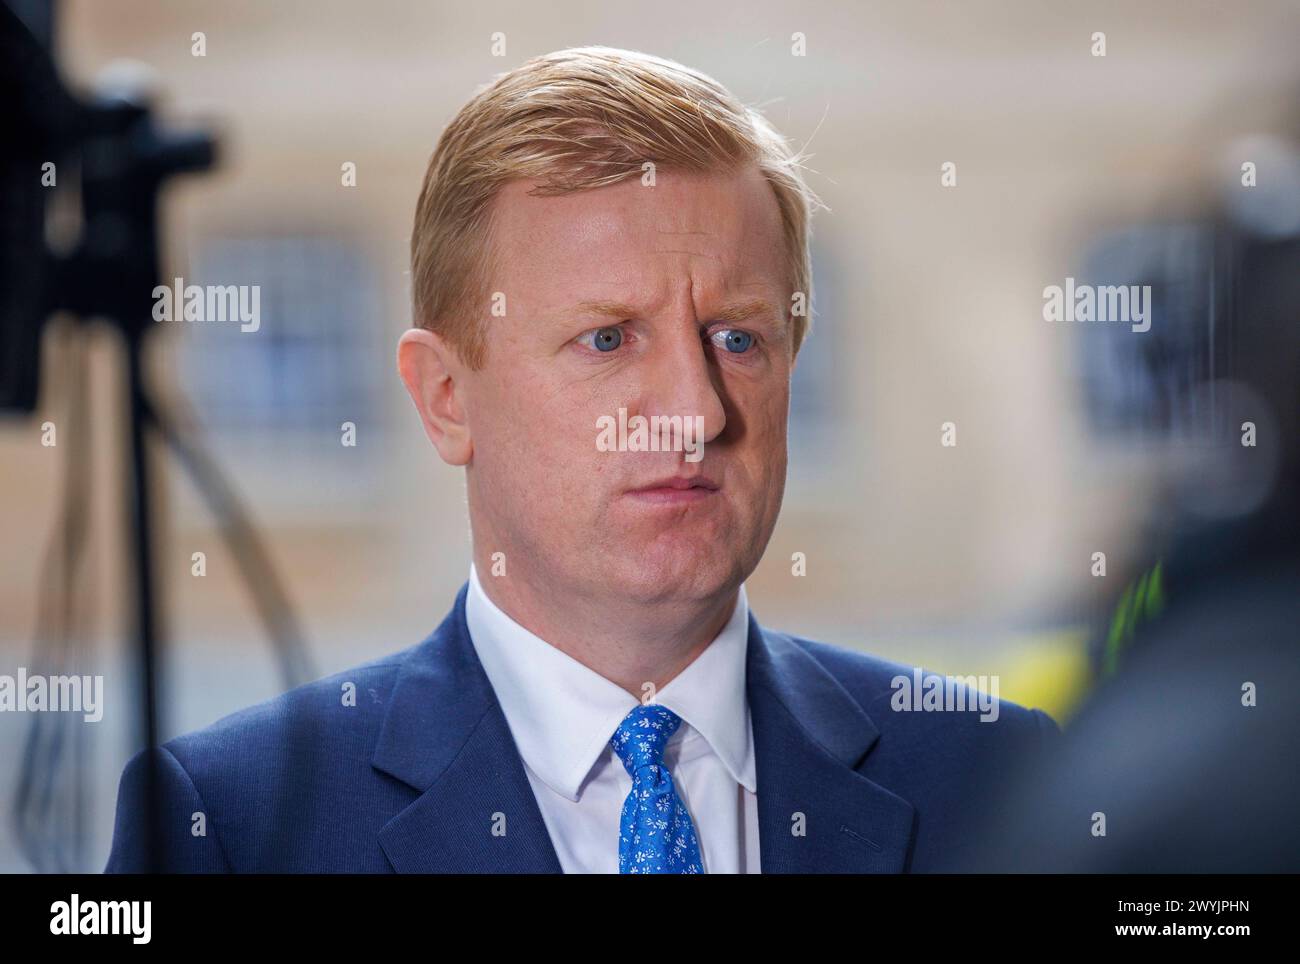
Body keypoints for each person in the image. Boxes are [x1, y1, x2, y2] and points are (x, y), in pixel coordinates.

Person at [106, 46, 1057, 874]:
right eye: (608, 341)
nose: (694, 413)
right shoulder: (231, 824)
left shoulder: (1006, 780)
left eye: (736, 339)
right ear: (445, 398)